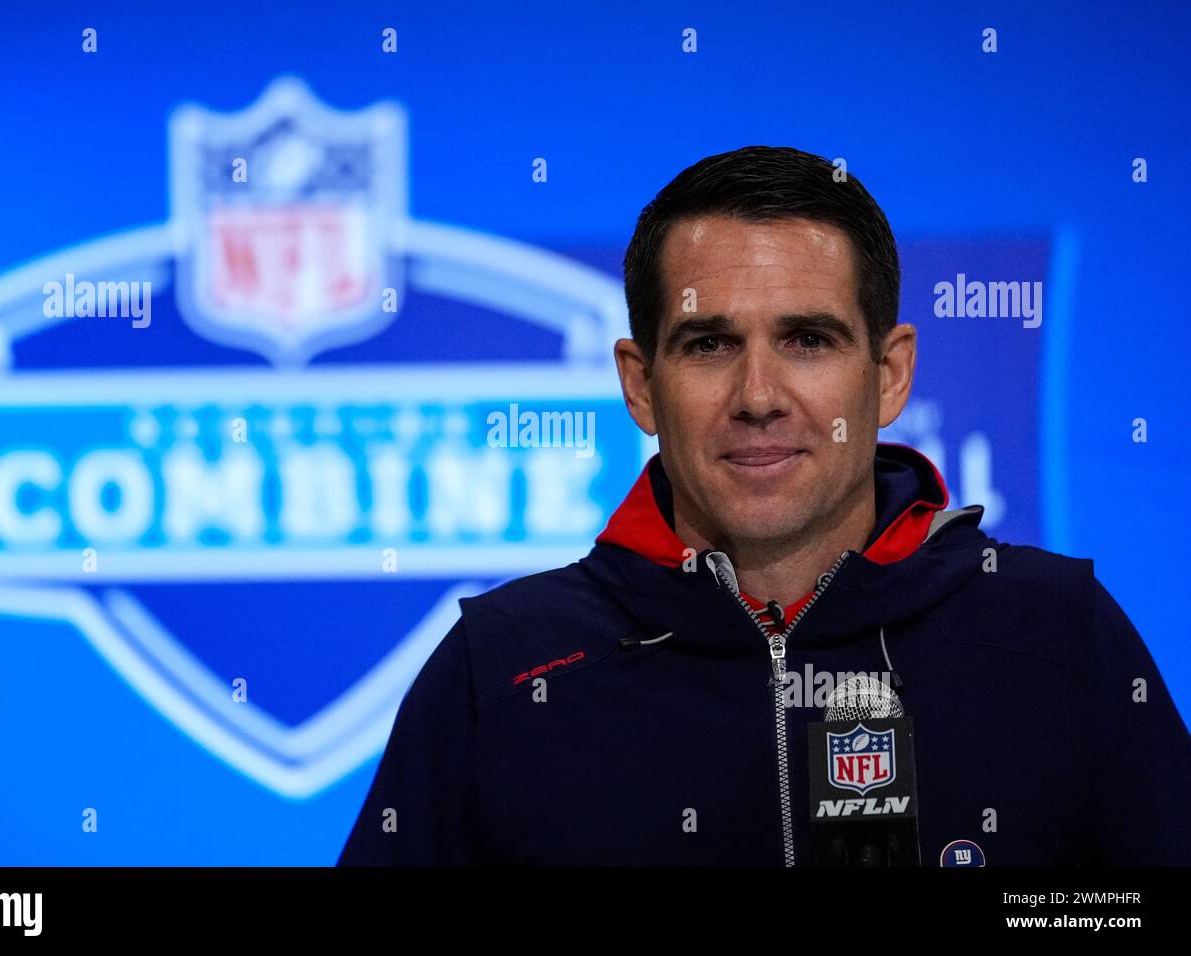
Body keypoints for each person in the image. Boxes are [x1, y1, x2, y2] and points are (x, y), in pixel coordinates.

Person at [337, 145, 1191, 866]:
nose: (758, 396)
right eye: (709, 344)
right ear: (640, 385)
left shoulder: (1056, 631)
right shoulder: (505, 666)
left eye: (807, 340)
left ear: (888, 373)